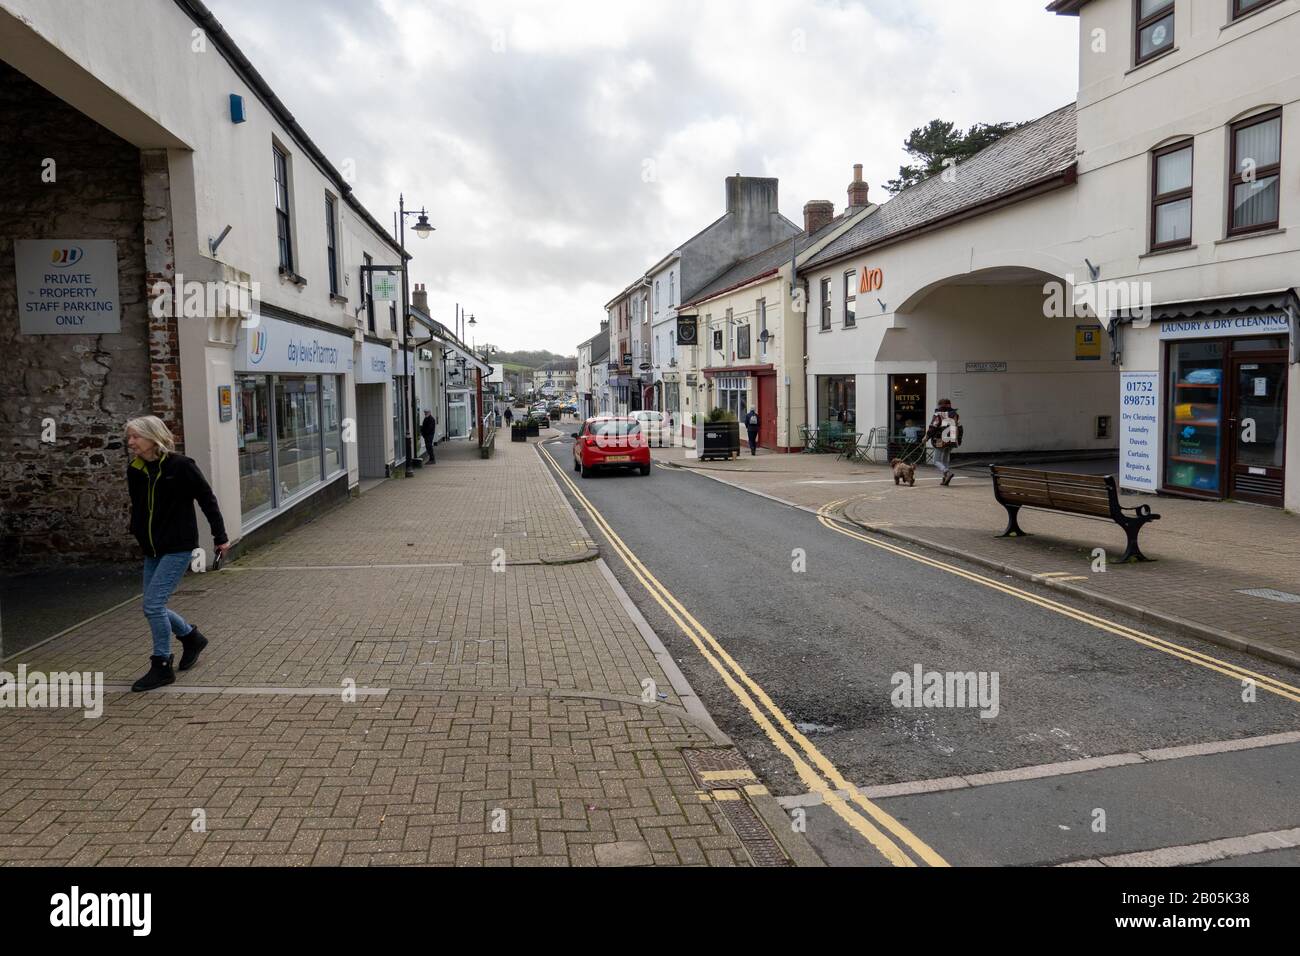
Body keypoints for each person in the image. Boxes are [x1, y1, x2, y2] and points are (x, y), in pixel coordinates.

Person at [125, 416, 229, 693]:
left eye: (135, 436)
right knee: (151, 604)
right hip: (152, 548)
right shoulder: (135, 469)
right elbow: (139, 507)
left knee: (152, 606)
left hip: (178, 546)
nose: (130, 442)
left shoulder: (181, 466)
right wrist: (136, 530)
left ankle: (162, 665)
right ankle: (191, 637)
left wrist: (220, 538)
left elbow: (207, 499)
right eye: (129, 437)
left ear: (152, 437)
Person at [926, 399, 962, 486]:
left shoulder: (938, 414)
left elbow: (933, 427)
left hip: (940, 439)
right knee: (945, 459)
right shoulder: (955, 415)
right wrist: (958, 439)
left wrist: (926, 437)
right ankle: (945, 478)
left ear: (940, 405)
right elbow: (960, 428)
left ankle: (947, 472)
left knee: (936, 460)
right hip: (951, 439)